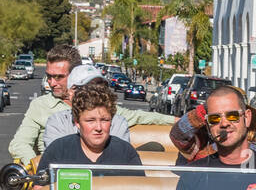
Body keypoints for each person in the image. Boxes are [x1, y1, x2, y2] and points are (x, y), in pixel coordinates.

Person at [41, 62, 175, 150]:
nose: (95, 92)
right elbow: (58, 160)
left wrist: (177, 121)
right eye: (87, 88)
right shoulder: (57, 122)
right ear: (71, 92)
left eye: (101, 87)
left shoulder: (117, 121)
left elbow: (116, 160)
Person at [36, 78, 142, 174]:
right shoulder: (58, 150)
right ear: (77, 122)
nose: (98, 128)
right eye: (90, 121)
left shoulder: (126, 153)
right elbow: (39, 189)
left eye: (105, 120)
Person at [9, 44, 81, 166]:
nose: (52, 83)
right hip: (52, 178)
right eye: (49, 76)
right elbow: (19, 144)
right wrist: (39, 166)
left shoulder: (96, 101)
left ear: (76, 75)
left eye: (59, 77)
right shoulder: (40, 105)